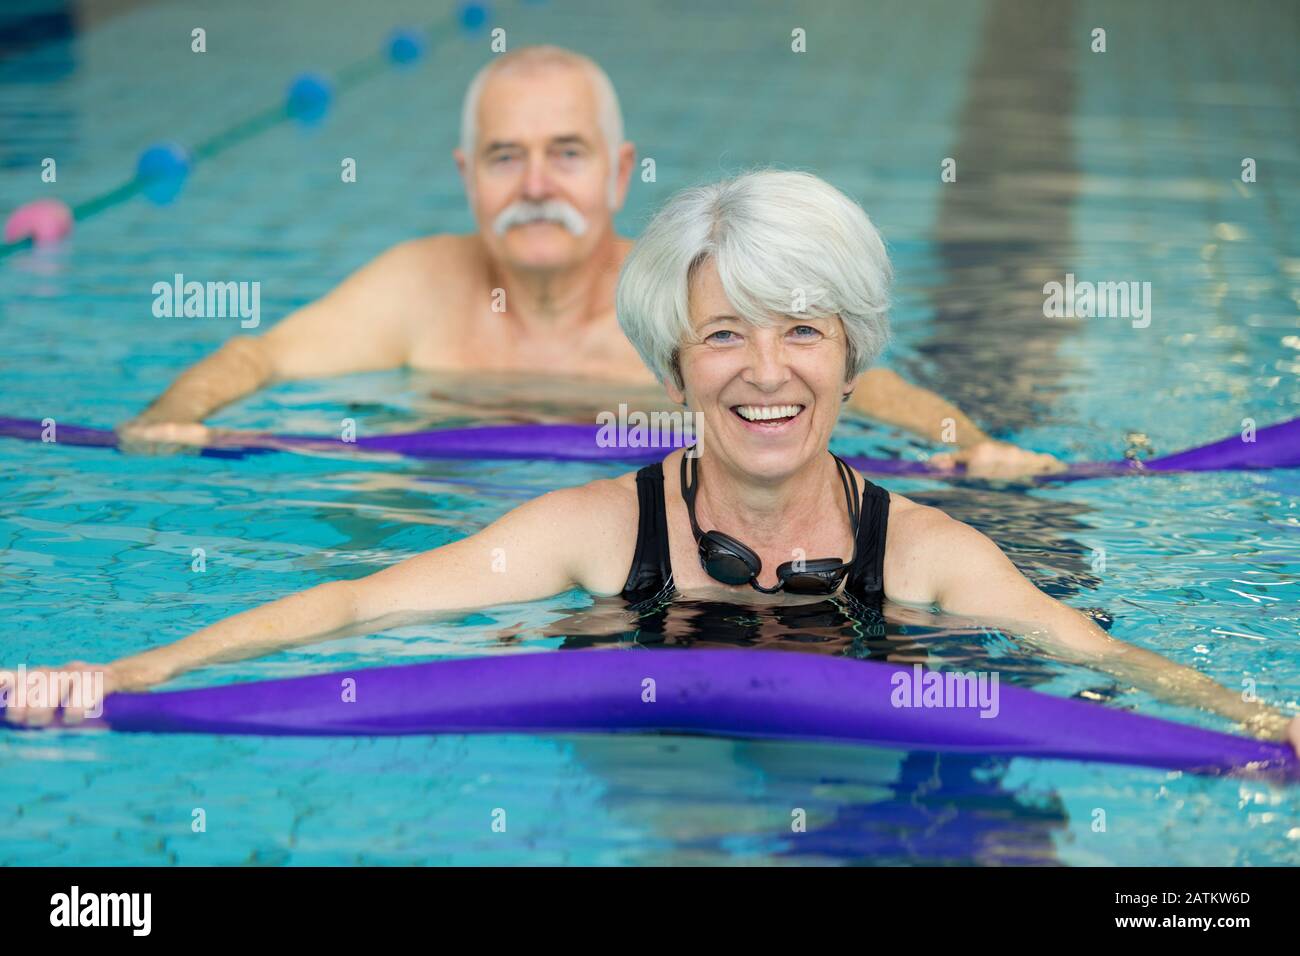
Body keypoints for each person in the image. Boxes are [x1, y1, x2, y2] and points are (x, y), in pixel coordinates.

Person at [9, 169, 1296, 757]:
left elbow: (1090, 654)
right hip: (642, 754)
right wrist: (125, 673)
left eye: (803, 332)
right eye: (722, 334)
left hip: (865, 753)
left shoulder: (927, 550)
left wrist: (1253, 721)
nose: (764, 370)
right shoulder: (588, 527)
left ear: (851, 362)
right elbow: (357, 605)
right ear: (672, 366)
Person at [117, 45, 1062, 479]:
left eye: (566, 154)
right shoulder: (419, 283)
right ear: (468, 176)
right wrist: (172, 418)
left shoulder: (683, 297)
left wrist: (968, 443)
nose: (537, 184)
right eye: (505, 156)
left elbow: (860, 383)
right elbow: (261, 359)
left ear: (616, 172)